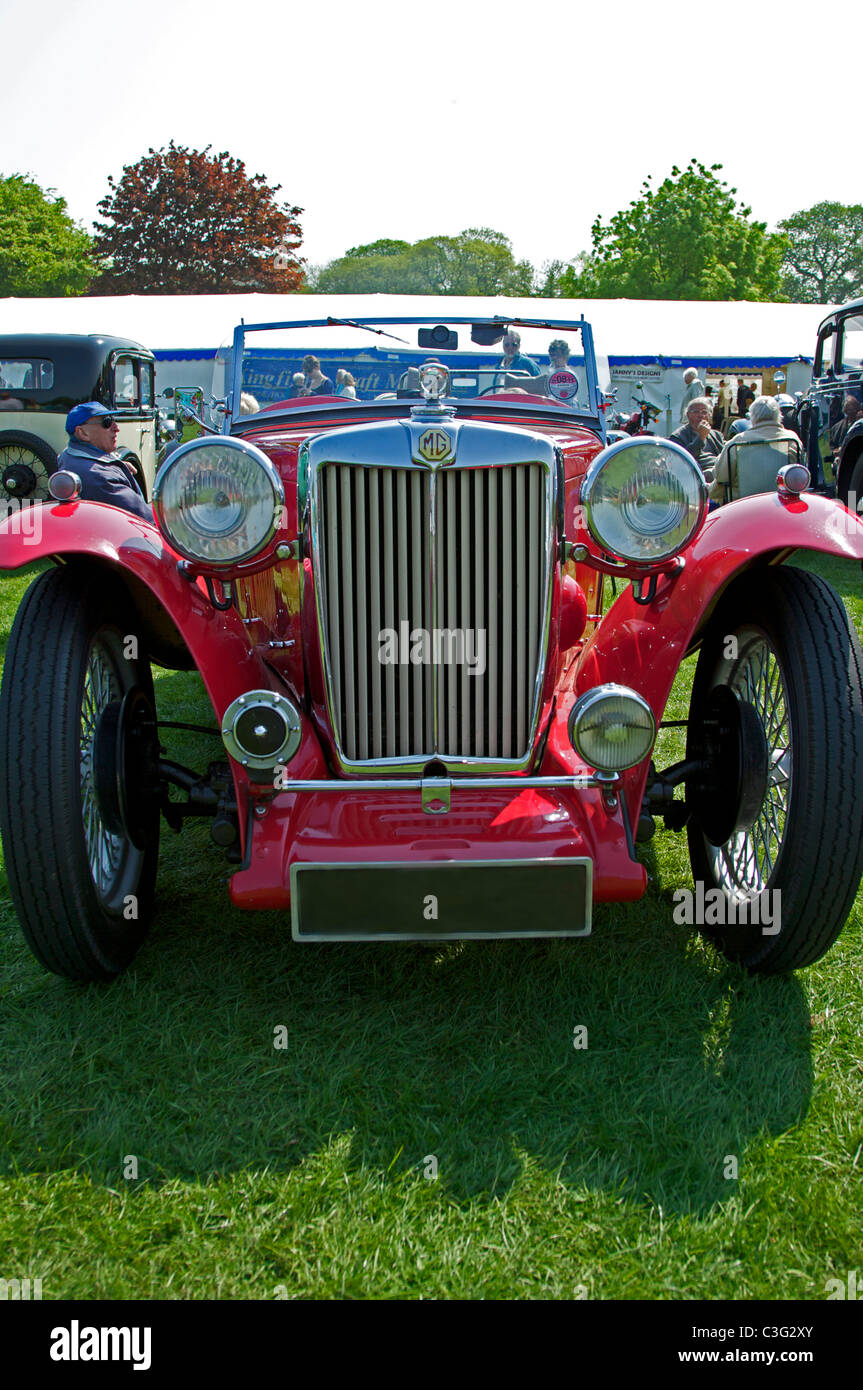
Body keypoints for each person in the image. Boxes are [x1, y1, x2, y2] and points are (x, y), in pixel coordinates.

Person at [57, 402, 152, 521]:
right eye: (107, 422)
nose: (116, 428)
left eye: (114, 420)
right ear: (82, 433)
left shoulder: (68, 455)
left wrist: (116, 465)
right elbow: (146, 519)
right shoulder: (101, 478)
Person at [709, 395, 804, 504]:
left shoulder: (738, 441)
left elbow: (721, 476)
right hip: (782, 503)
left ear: (752, 417)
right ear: (778, 415)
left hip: (743, 506)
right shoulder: (792, 439)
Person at [670, 397, 724, 469]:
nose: (700, 415)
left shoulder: (716, 435)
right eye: (696, 412)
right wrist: (701, 438)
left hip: (719, 470)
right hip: (697, 473)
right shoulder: (678, 436)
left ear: (709, 416)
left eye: (704, 412)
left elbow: (725, 456)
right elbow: (683, 460)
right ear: (688, 415)